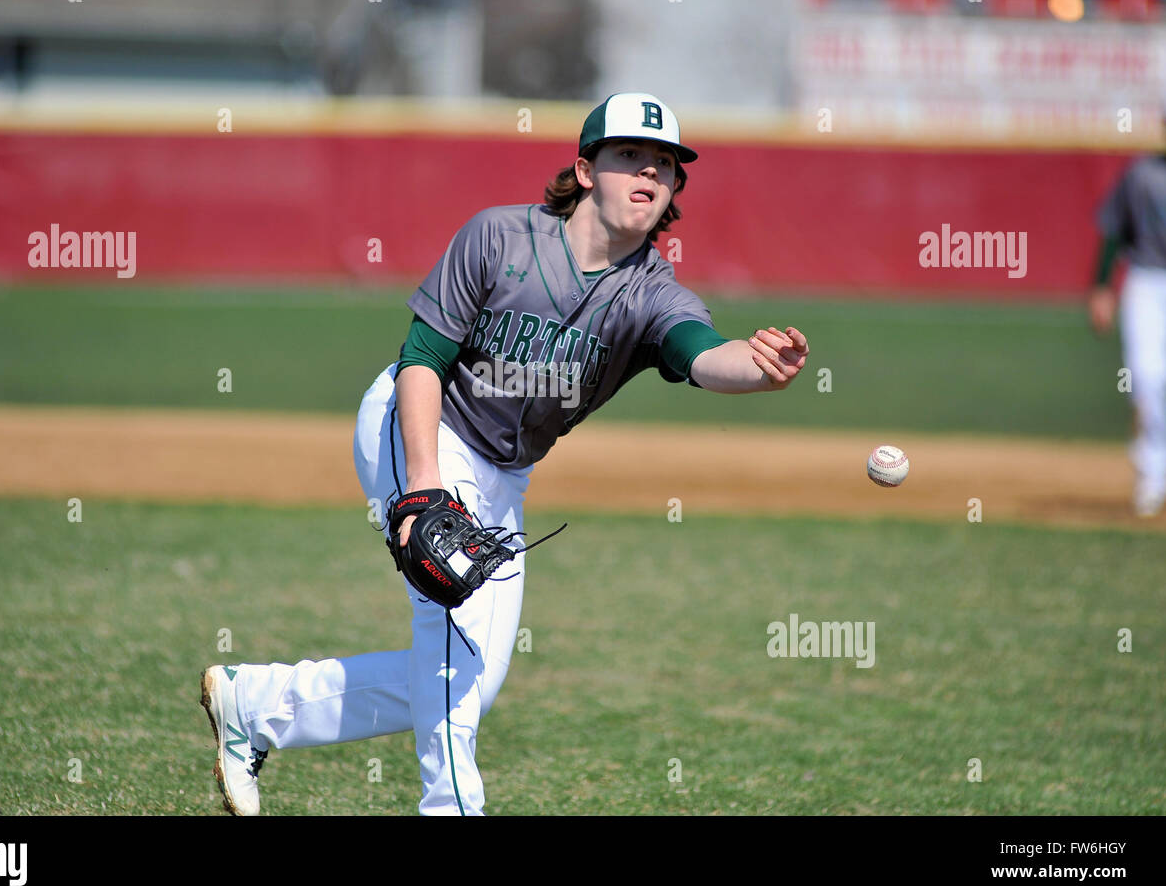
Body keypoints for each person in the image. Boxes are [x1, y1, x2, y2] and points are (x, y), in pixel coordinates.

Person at [200, 92, 810, 815]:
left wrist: (760, 362)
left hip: (504, 474)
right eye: (628, 156)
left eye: (665, 165)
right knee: (451, 626)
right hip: (417, 422)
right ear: (585, 169)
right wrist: (422, 490)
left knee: (468, 678)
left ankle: (255, 705)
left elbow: (705, 355)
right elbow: (422, 359)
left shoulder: (650, 294)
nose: (649, 172)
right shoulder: (499, 239)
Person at [1089, 94, 1166, 518]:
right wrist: (1102, 288)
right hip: (1148, 280)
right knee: (1147, 377)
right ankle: (1154, 473)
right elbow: (1113, 230)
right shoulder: (1143, 174)